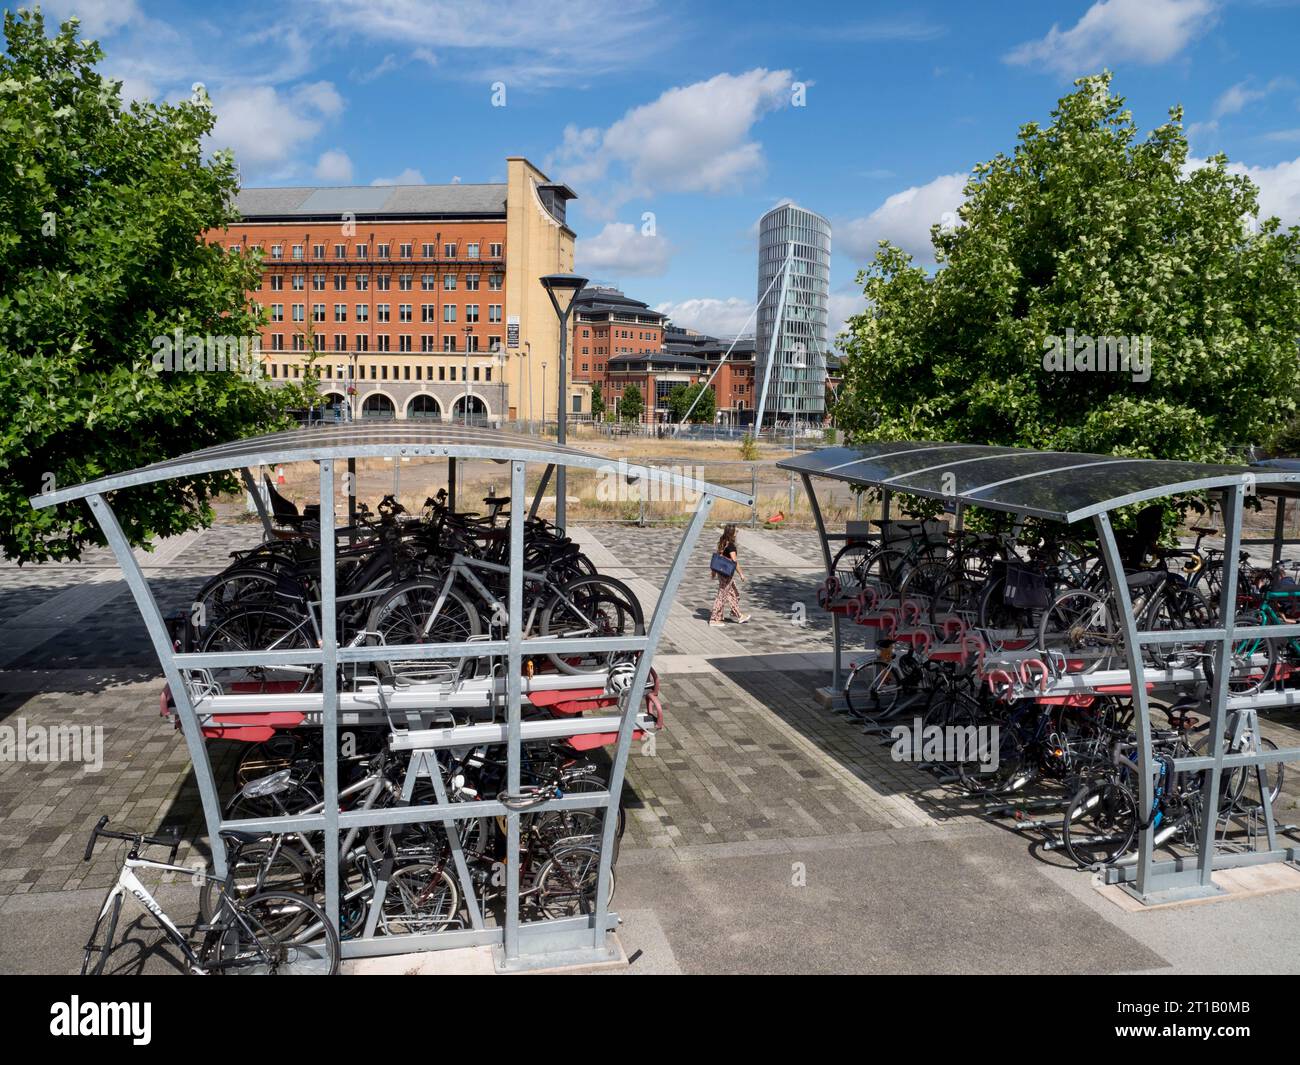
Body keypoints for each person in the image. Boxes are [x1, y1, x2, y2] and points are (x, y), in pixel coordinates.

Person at [709, 524, 750, 626]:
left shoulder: (723, 542)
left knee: (732, 594)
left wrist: (713, 572)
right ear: (732, 533)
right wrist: (741, 574)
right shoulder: (731, 546)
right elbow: (734, 562)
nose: (737, 533)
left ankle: (739, 615)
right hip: (727, 574)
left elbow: (717, 558)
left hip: (721, 573)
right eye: (736, 531)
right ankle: (714, 619)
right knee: (721, 595)